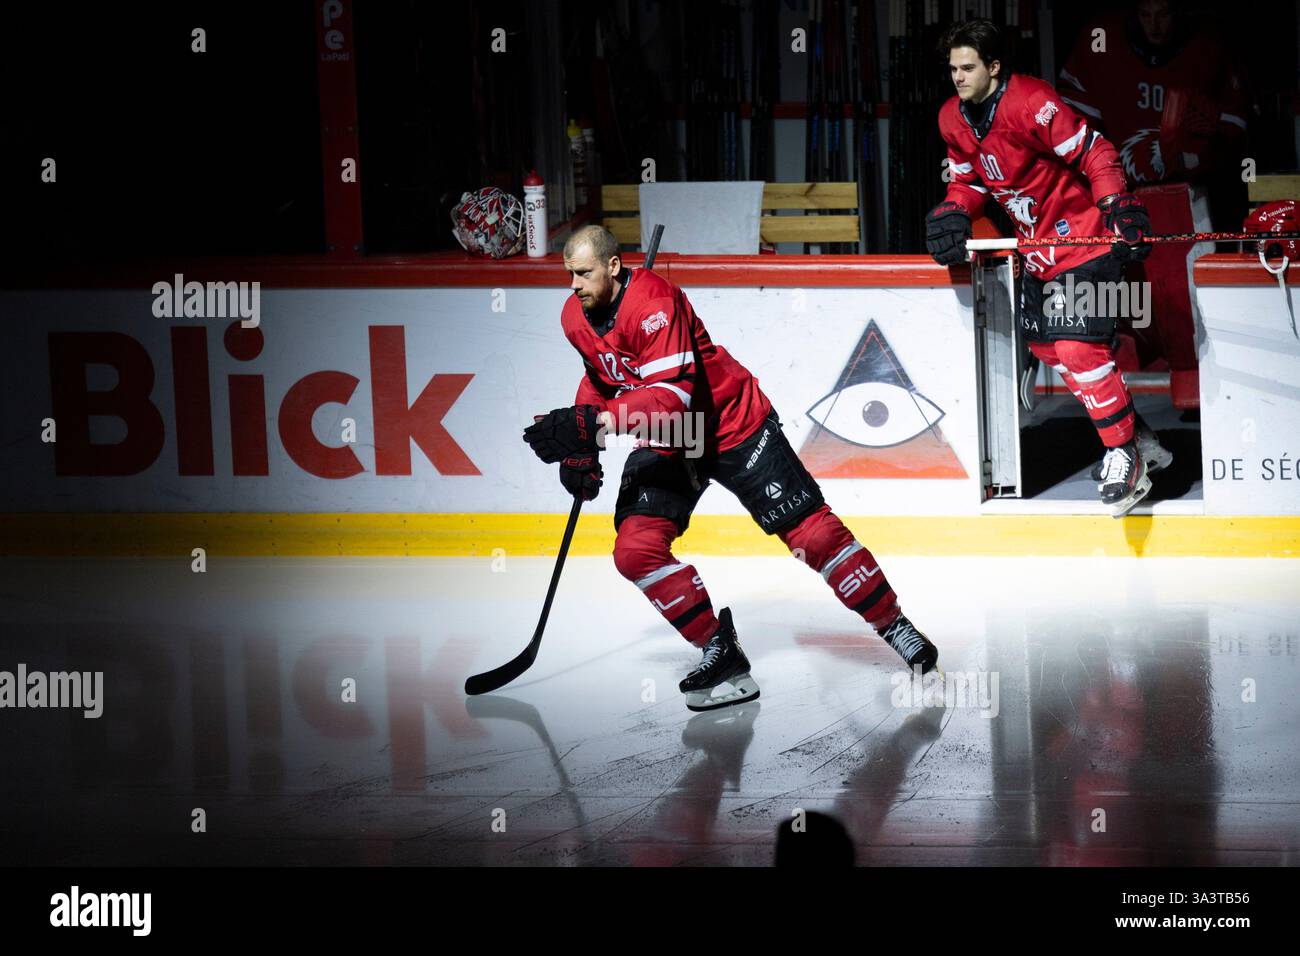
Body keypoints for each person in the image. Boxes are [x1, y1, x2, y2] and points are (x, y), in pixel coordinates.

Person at [523, 224, 938, 711]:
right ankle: (719, 649)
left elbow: (673, 400)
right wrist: (581, 448)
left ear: (613, 266)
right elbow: (600, 377)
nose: (573, 284)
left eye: (584, 273)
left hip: (730, 423)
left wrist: (591, 424)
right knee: (635, 551)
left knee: (815, 538)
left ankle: (893, 624)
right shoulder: (576, 315)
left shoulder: (655, 303)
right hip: (675, 438)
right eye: (569, 274)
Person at [924, 19, 1171, 516]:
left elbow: (1096, 150)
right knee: (1046, 349)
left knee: (1079, 348)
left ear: (994, 67)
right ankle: (1138, 438)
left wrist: (1116, 205)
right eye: (952, 68)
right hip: (1037, 252)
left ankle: (1124, 455)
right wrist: (954, 210)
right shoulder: (952, 117)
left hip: (1086, 241)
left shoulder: (1031, 102)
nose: (957, 77)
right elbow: (970, 180)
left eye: (968, 67)